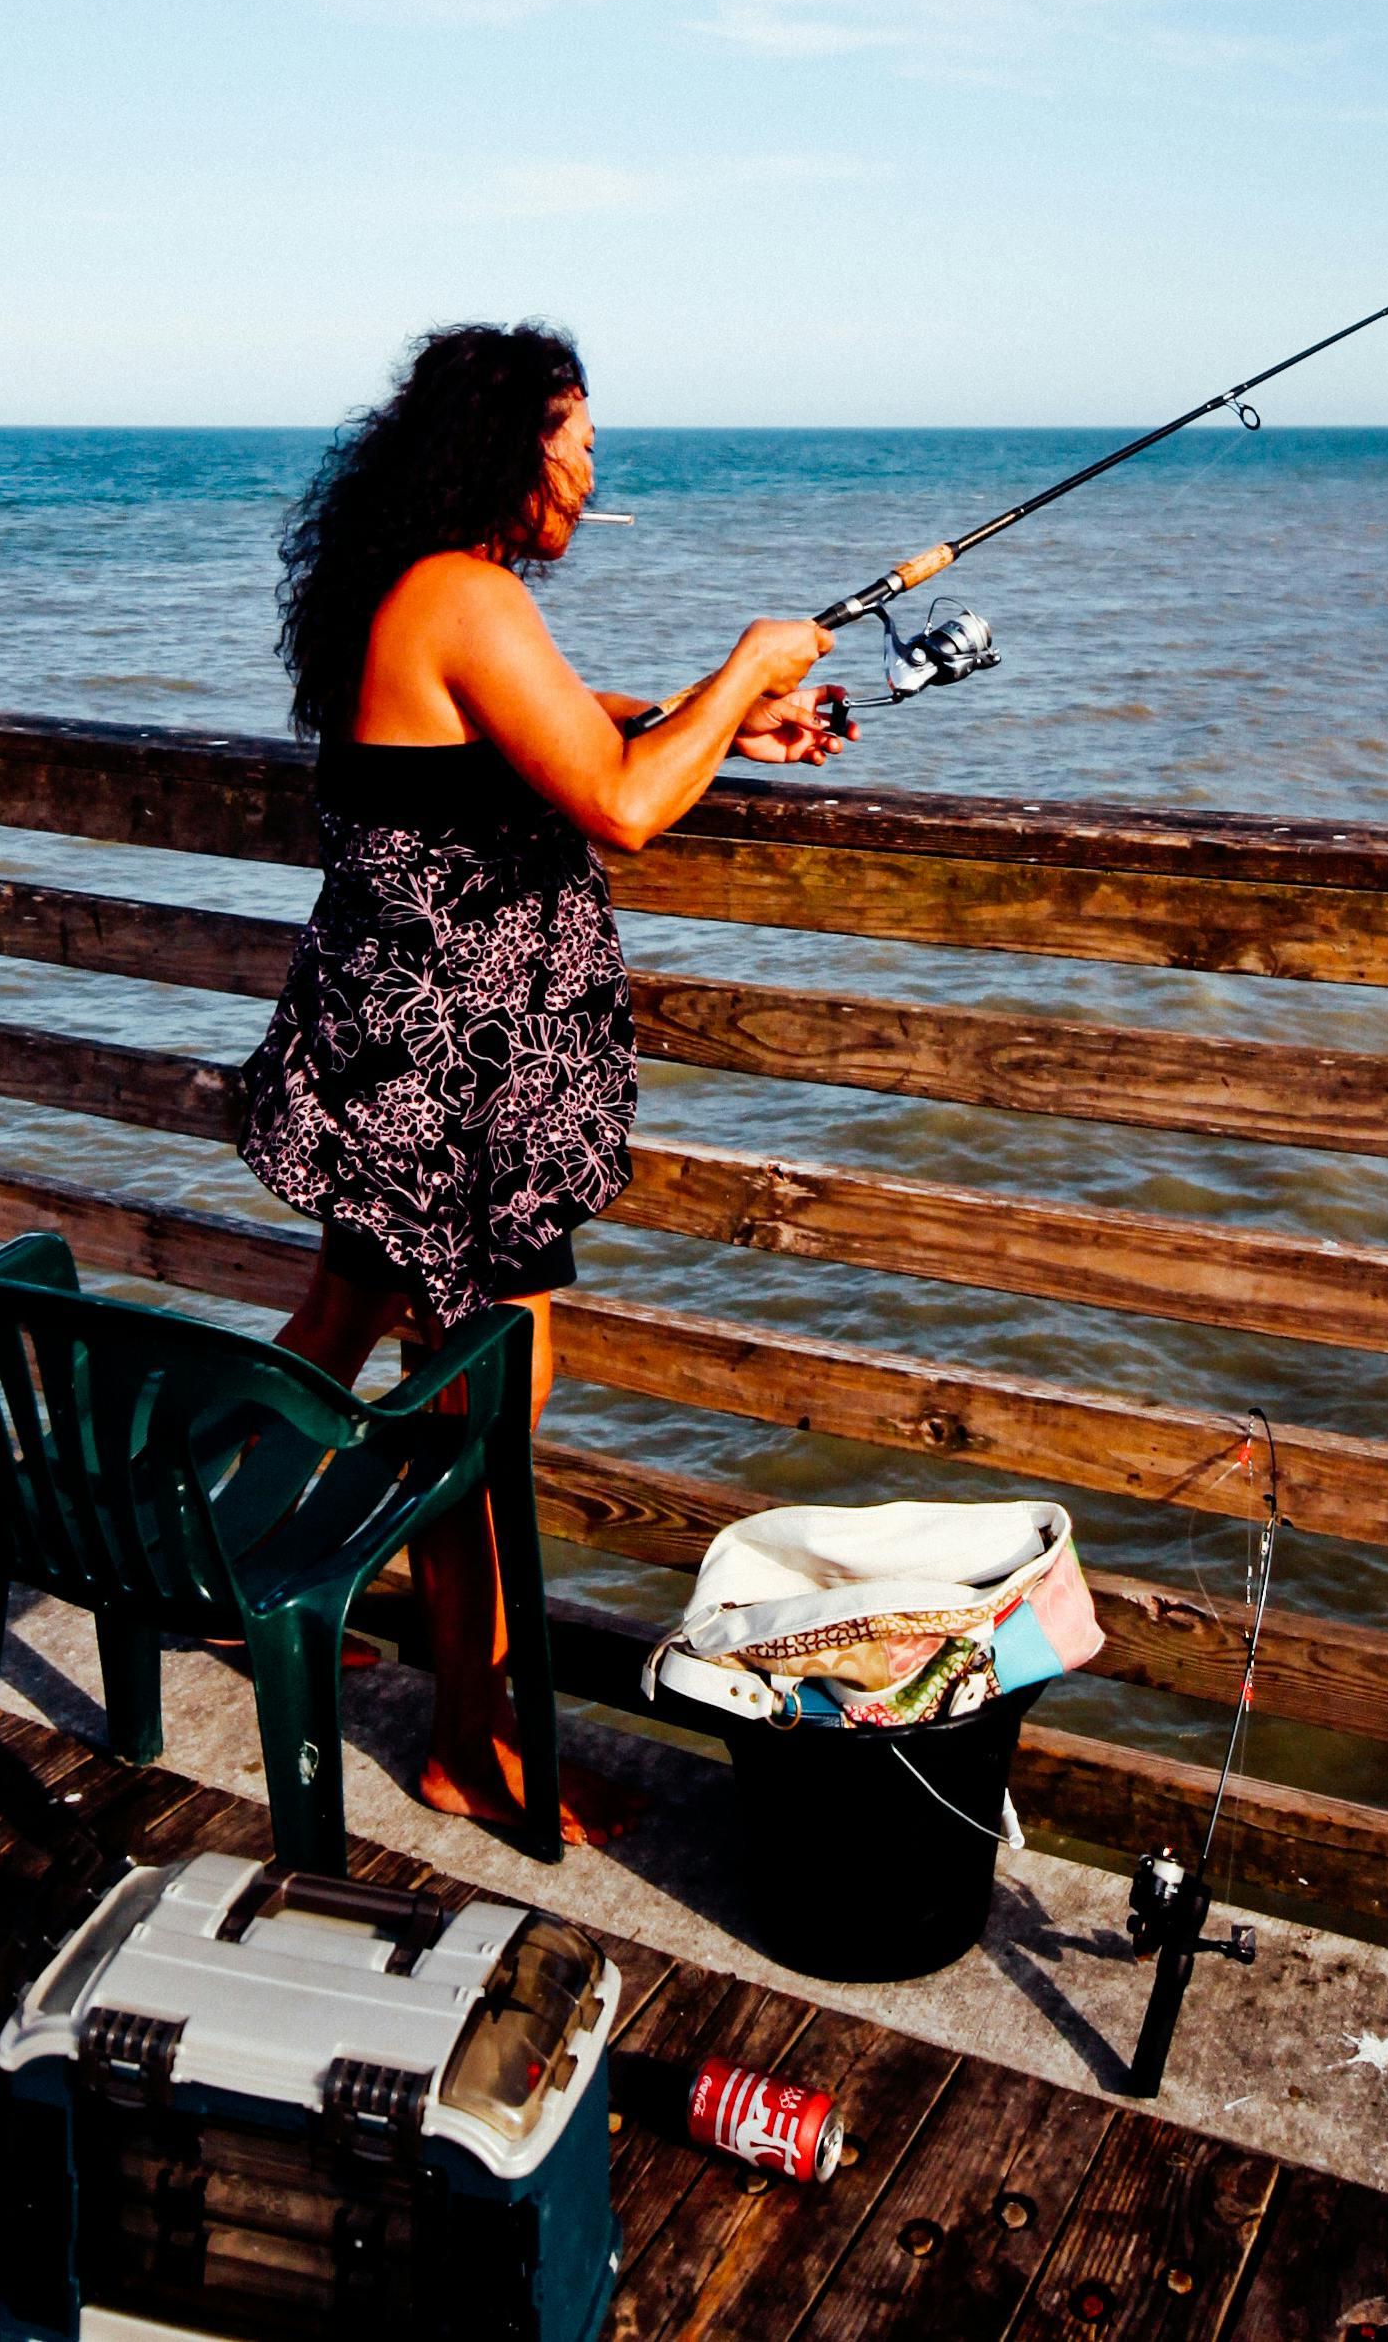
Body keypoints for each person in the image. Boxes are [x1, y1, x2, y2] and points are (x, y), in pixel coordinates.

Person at [239, 321, 847, 1843]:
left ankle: (194, 1562)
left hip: (393, 1057)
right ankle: (467, 1740)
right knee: (487, 1418)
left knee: (333, 1341)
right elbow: (623, 805)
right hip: (461, 1098)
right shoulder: (468, 588)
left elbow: (543, 737)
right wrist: (748, 665)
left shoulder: (419, 586)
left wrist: (720, 720)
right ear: (506, 451)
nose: (590, 465)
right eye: (574, 436)